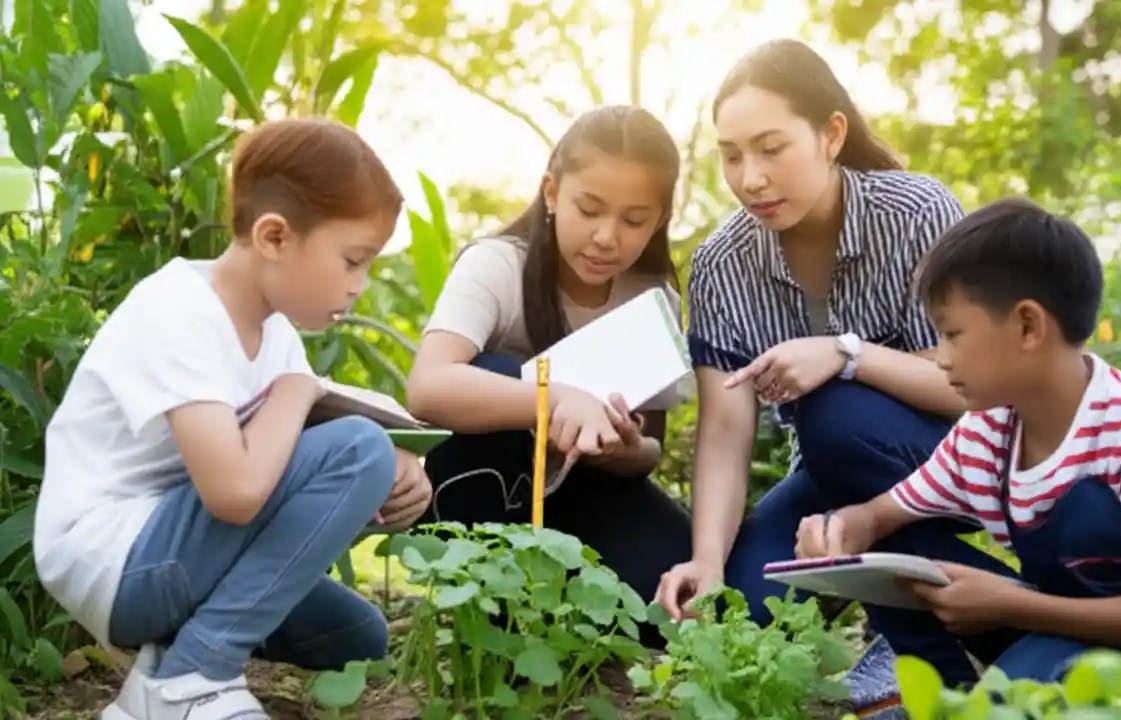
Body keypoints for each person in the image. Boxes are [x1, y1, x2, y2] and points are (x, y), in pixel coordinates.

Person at [33, 118, 434, 720]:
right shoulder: (180, 311)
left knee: (356, 637)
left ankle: (164, 664)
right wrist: (302, 396)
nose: (360, 286)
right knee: (359, 448)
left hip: (175, 549)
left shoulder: (277, 338)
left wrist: (394, 479)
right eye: (353, 261)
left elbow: (298, 488)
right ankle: (189, 678)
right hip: (114, 558)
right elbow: (236, 495)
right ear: (274, 237)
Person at [654, 38, 1012, 684]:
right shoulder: (721, 263)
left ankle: (937, 670)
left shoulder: (916, 214)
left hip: (953, 455)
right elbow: (726, 430)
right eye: (731, 156)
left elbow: (975, 390)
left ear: (831, 134)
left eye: (771, 148)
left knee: (832, 410)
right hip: (829, 474)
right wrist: (705, 561)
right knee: (745, 606)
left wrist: (847, 355)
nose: (750, 178)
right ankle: (948, 621)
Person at [795, 197, 1121, 683]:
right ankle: (943, 679)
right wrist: (845, 528)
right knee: (909, 551)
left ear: (1027, 326)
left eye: (953, 334)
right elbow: (884, 514)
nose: (941, 358)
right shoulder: (988, 431)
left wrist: (1013, 605)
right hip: (1044, 625)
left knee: (1084, 512)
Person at [405, 105, 692, 644]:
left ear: (659, 220)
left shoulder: (652, 297)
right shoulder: (498, 265)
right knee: (490, 371)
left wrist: (625, 448)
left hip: (589, 488)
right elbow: (429, 386)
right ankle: (491, 610)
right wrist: (555, 399)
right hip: (488, 486)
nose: (607, 237)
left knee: (673, 605)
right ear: (552, 193)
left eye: (634, 220)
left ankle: (569, 606)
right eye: (590, 209)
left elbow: (651, 445)